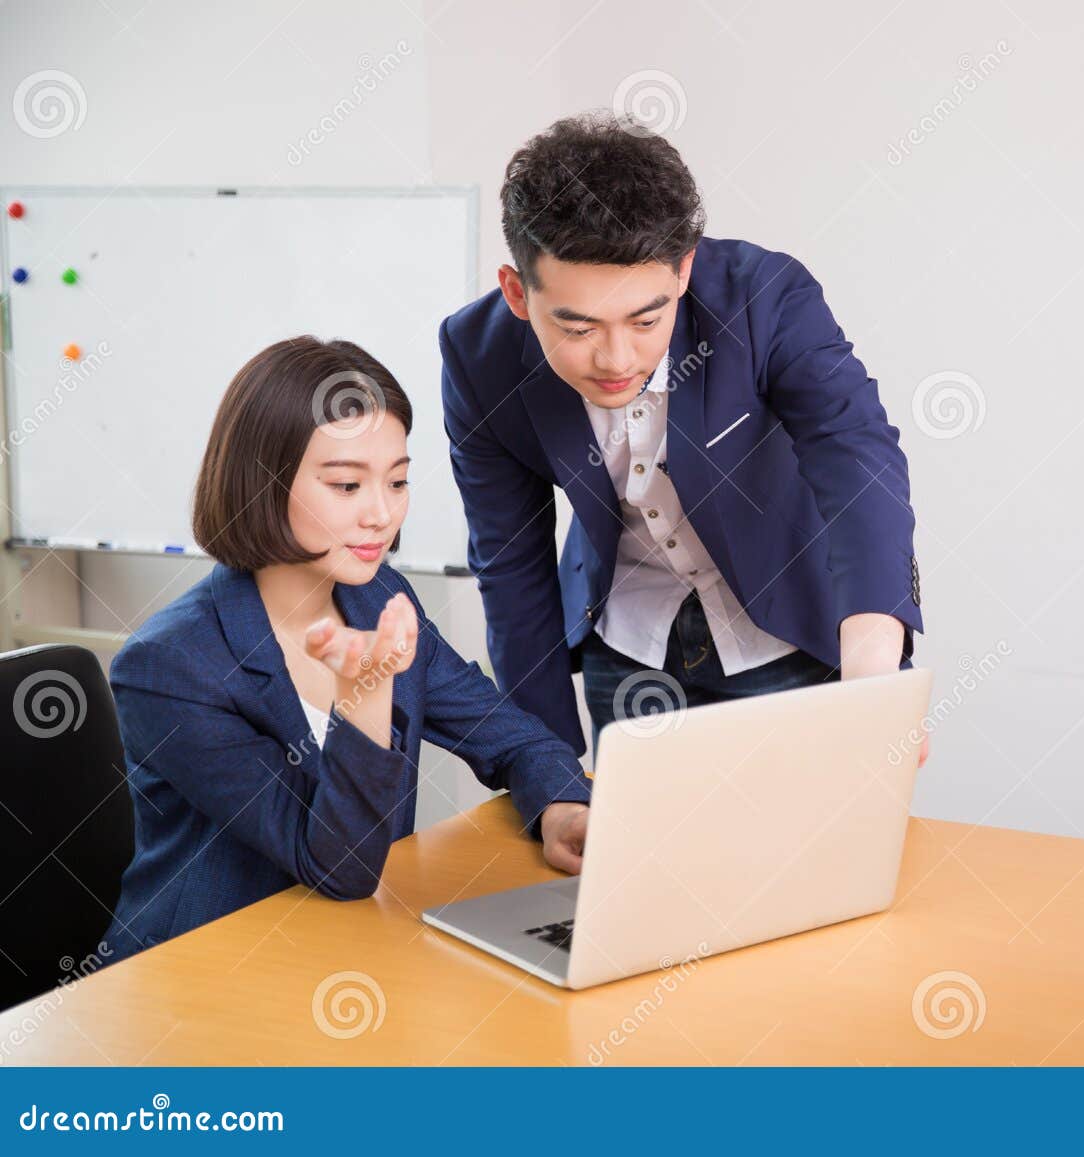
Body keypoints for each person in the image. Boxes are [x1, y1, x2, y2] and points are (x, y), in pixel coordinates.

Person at [441, 111, 926, 758]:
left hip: (790, 636)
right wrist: (545, 770)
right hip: (627, 646)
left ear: (683, 271)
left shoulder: (763, 297)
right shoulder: (480, 356)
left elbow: (856, 453)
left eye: (645, 320)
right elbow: (510, 564)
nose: (616, 359)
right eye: (579, 329)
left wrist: (871, 673)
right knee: (631, 856)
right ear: (517, 292)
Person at [101, 337, 589, 960]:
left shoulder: (378, 598)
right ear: (262, 483)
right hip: (203, 970)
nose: (381, 516)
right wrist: (364, 699)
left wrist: (561, 807)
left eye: (398, 481)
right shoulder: (170, 667)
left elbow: (512, 738)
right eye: (346, 485)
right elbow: (340, 868)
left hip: (343, 950)